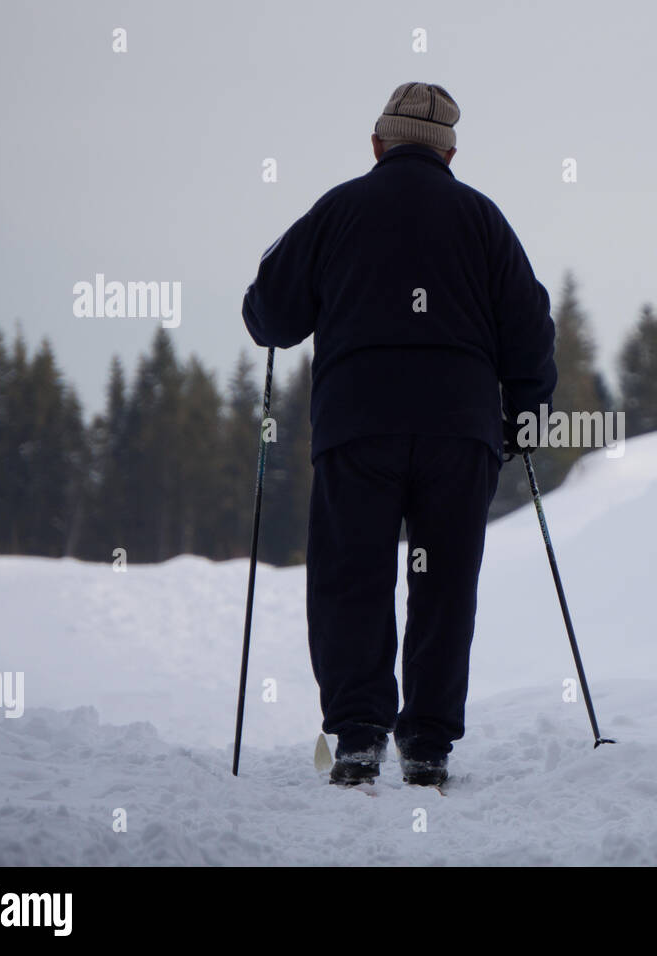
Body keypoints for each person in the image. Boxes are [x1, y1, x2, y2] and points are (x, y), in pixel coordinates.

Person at [241, 82, 557, 787]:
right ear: (450, 151)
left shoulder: (339, 210)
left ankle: (358, 736)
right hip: (460, 430)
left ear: (377, 143)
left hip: (359, 423)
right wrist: (525, 419)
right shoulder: (483, 219)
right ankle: (429, 744)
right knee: (444, 583)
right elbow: (530, 332)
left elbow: (273, 317)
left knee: (351, 576)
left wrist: (264, 288)